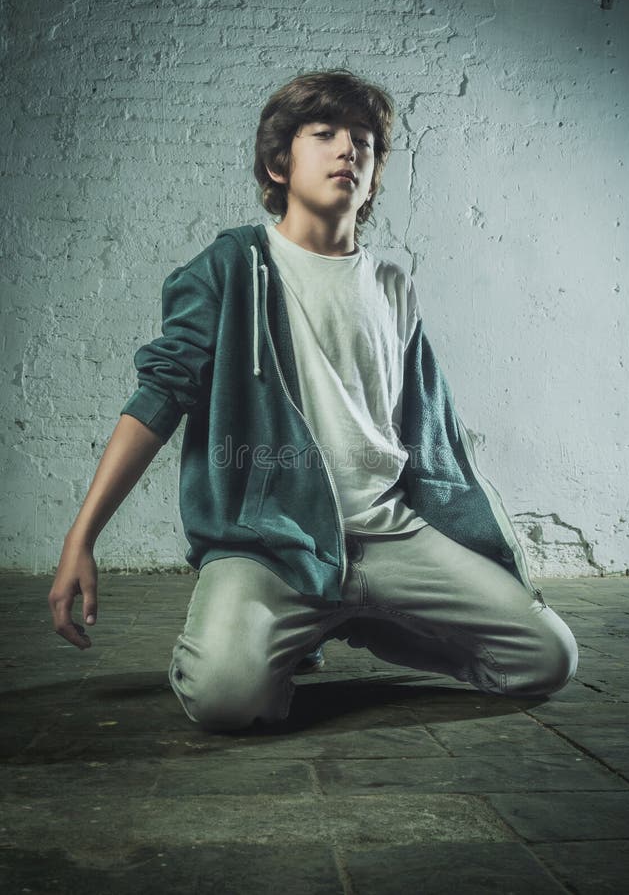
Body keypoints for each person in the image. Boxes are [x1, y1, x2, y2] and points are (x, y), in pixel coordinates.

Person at [48, 69, 578, 732]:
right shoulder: (230, 267)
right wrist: (82, 537)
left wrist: (470, 534)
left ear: (375, 171)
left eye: (362, 140)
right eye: (323, 134)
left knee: (546, 659)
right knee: (226, 700)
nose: (347, 149)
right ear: (278, 162)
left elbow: (430, 430)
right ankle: (275, 636)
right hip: (273, 545)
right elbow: (158, 397)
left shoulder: (392, 285)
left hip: (388, 537)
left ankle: (355, 620)